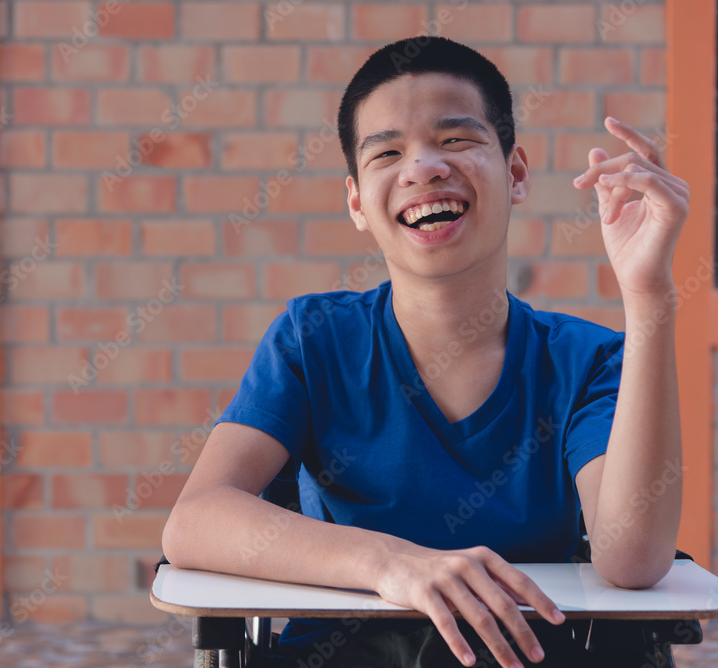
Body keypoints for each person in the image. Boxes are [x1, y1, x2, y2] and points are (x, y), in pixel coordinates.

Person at [161, 37, 687, 668]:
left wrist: (648, 293)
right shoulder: (314, 338)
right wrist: (392, 563)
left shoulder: (589, 359)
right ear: (357, 201)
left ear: (516, 173)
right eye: (387, 152)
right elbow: (193, 522)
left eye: (457, 140)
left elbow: (632, 561)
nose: (424, 167)